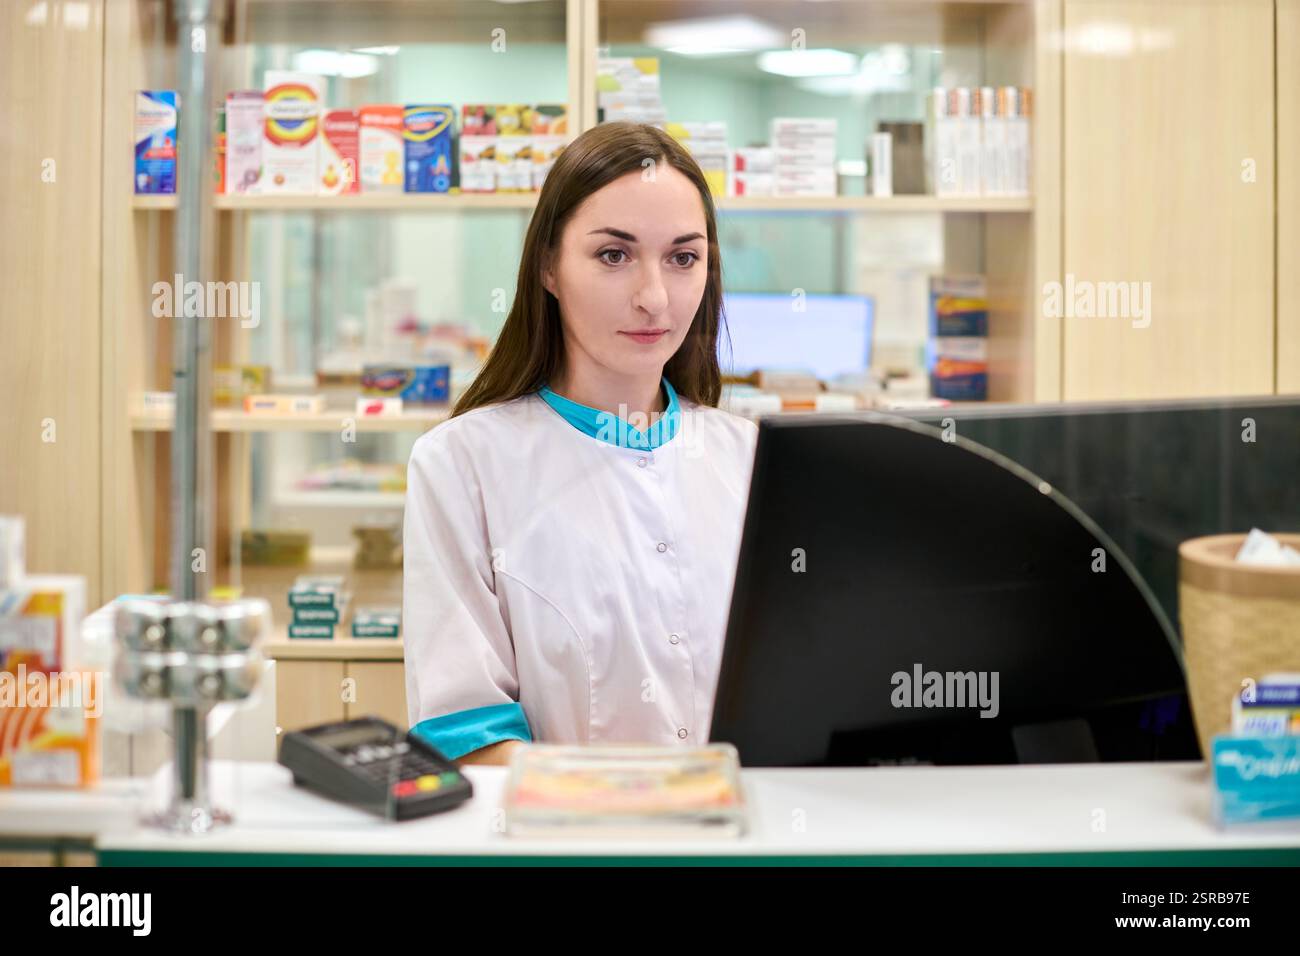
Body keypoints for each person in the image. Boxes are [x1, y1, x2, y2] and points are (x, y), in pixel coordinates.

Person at [402, 121, 758, 766]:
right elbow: (466, 735)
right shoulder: (463, 464)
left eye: (683, 257)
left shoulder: (753, 458)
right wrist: (643, 814)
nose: (654, 297)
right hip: (561, 850)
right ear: (549, 267)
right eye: (613, 255)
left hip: (751, 845)